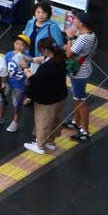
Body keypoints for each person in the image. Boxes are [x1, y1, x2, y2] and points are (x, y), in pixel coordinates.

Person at [24, 38, 69, 156]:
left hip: (47, 99)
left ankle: (40, 145)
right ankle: (50, 141)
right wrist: (32, 60)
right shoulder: (60, 58)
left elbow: (35, 80)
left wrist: (25, 69)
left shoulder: (48, 66)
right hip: (60, 96)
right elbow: (44, 59)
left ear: (45, 50)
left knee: (43, 121)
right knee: (54, 120)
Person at [63, 11, 97, 143]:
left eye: (76, 19)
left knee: (80, 100)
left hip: (79, 73)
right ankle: (76, 122)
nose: (73, 20)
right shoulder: (92, 35)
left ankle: (85, 131)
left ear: (81, 23)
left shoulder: (82, 38)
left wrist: (69, 38)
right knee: (77, 97)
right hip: (85, 68)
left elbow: (68, 55)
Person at [1, 34, 32, 133]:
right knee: (2, 99)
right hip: (8, 81)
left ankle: (15, 121)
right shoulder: (9, 55)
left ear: (26, 47)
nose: (18, 46)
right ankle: (0, 116)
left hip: (19, 85)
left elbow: (29, 72)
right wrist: (3, 81)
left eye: (21, 45)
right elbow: (5, 68)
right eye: (16, 44)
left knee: (17, 104)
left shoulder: (28, 58)